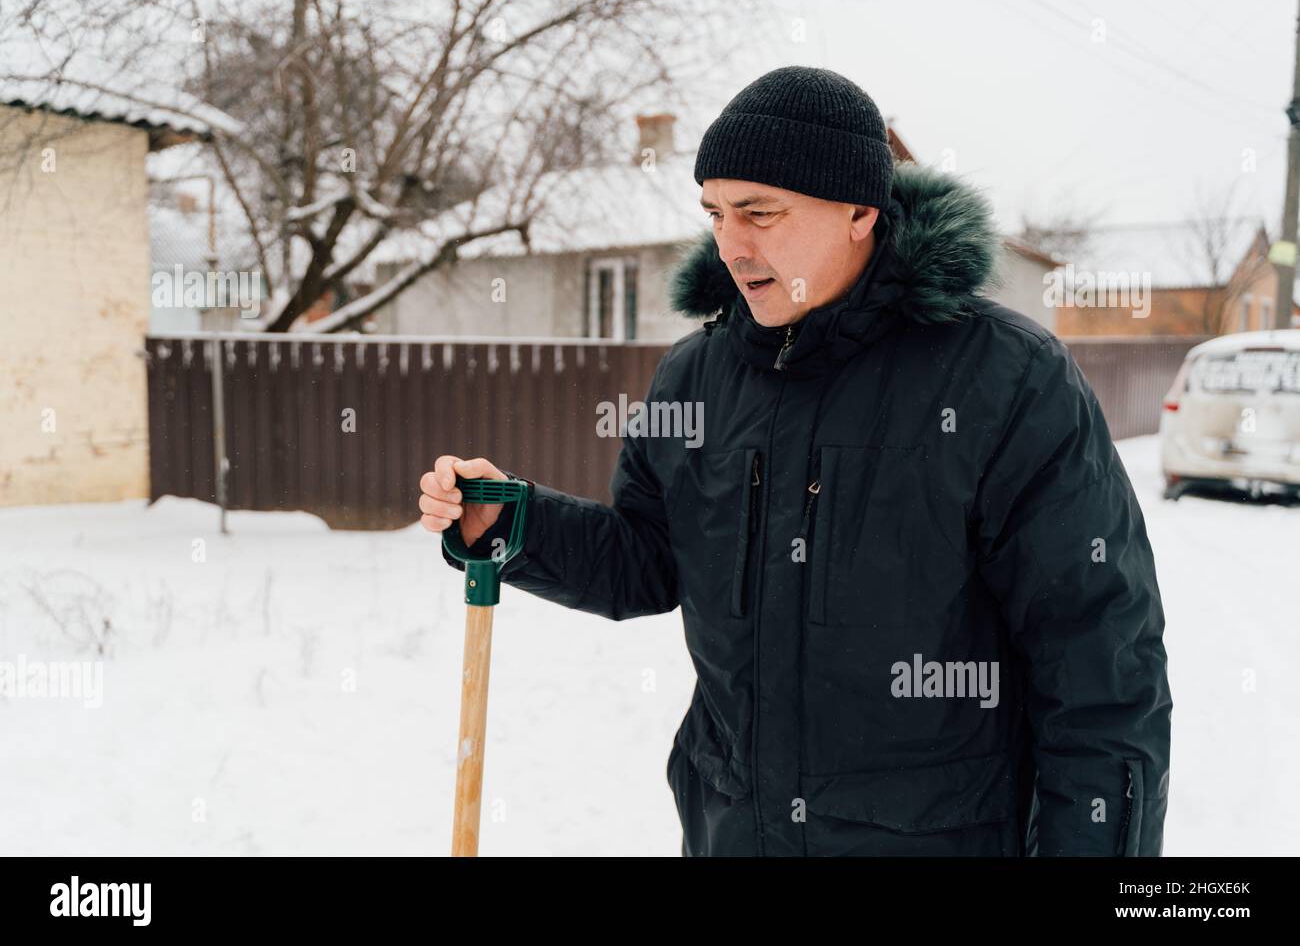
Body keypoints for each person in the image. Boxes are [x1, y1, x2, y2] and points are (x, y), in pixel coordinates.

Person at [419, 65, 1172, 857]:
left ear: (858, 211)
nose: (731, 243)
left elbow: (1101, 666)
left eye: (760, 212)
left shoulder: (1004, 379)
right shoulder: (695, 377)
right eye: (714, 212)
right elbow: (649, 560)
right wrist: (513, 525)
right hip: (733, 832)